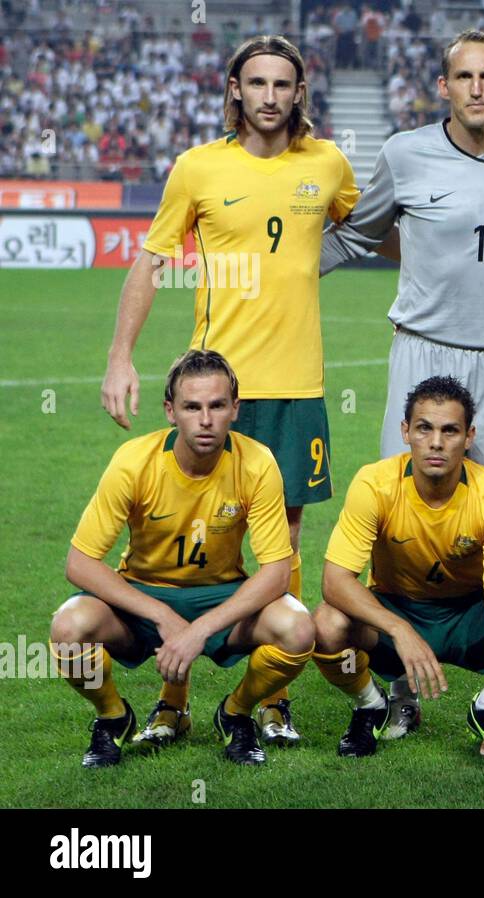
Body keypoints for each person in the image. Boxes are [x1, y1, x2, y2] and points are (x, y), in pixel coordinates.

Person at [99, 35, 358, 747]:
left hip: (297, 388)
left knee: (288, 543)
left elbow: (370, 230)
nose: (271, 96)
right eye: (257, 83)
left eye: (284, 83)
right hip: (217, 385)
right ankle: (171, 699)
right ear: (235, 90)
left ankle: (268, 698)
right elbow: (152, 262)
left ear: (300, 91)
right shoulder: (199, 167)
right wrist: (121, 357)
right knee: (185, 540)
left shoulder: (328, 164)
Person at [319, 29, 484, 737]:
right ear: (443, 86)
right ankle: (400, 680)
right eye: (464, 76)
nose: (477, 88)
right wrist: (276, 271)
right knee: (403, 506)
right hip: (423, 350)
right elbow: (357, 233)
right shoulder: (404, 152)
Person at [54, 350, 313, 768]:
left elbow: (278, 572)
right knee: (69, 626)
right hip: (141, 596)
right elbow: (79, 563)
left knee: (298, 628)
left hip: (219, 596)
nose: (205, 419)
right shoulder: (134, 461)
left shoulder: (258, 463)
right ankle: (112, 717)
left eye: (216, 405)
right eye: (192, 407)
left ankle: (236, 713)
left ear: (235, 410)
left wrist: (201, 629)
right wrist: (162, 616)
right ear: (171, 412)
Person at [312, 376, 484, 774]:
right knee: (326, 624)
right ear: (405, 432)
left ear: (469, 437)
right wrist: (400, 629)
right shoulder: (374, 484)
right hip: (397, 610)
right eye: (424, 428)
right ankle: (371, 706)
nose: (435, 442)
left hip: (470, 615)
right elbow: (335, 581)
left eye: (450, 430)